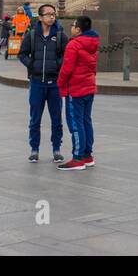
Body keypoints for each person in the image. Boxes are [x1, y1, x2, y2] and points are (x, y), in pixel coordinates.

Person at [19, 4, 66, 163]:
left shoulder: (60, 35)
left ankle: (56, 149)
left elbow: (67, 55)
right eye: (48, 14)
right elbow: (22, 53)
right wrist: (32, 65)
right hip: (37, 82)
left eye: (53, 14)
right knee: (35, 118)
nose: (51, 17)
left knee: (56, 119)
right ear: (40, 17)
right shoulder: (32, 35)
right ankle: (34, 149)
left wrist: (57, 65)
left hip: (55, 84)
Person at [57, 15, 100, 171]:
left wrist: (60, 84)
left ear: (79, 29)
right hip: (88, 86)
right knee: (86, 121)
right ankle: (87, 155)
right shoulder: (93, 43)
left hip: (75, 89)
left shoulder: (74, 44)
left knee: (75, 123)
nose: (71, 27)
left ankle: (78, 158)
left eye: (73, 25)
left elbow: (66, 69)